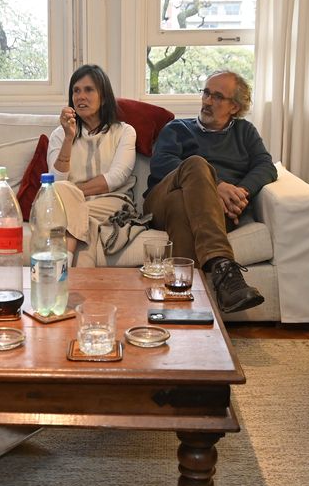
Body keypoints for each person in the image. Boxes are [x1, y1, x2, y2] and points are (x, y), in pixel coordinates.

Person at [144, 70, 275, 313]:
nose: (206, 101)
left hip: (215, 211)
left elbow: (266, 166)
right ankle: (224, 267)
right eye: (206, 93)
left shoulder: (245, 132)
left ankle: (183, 305)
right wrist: (218, 186)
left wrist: (240, 193)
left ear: (234, 107)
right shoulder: (177, 128)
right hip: (159, 202)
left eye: (217, 97)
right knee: (195, 163)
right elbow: (161, 163)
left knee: (181, 205)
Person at [47, 64, 136, 266]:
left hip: (111, 201)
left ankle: (60, 268)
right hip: (70, 204)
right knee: (82, 219)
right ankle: (81, 285)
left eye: (89, 90)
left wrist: (72, 193)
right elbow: (56, 181)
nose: (80, 96)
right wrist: (69, 138)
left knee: (70, 207)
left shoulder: (124, 132)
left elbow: (117, 177)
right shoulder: (60, 134)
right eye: (76, 91)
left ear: (103, 97)